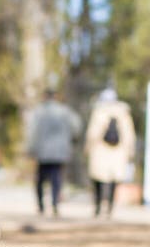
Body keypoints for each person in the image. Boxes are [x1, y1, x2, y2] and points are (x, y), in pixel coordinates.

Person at [28, 89, 82, 216]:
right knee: (56, 177)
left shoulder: (39, 112)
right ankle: (55, 203)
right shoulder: (65, 111)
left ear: (45, 97)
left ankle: (41, 205)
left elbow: (32, 131)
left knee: (41, 178)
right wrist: (72, 139)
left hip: (42, 150)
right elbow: (77, 126)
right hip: (60, 150)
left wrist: (31, 148)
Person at [84, 88, 136, 217]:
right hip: (118, 152)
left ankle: (98, 205)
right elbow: (129, 135)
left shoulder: (99, 113)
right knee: (114, 180)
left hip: (100, 150)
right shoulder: (124, 114)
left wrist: (88, 147)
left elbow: (92, 133)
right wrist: (130, 150)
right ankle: (110, 206)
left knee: (98, 178)